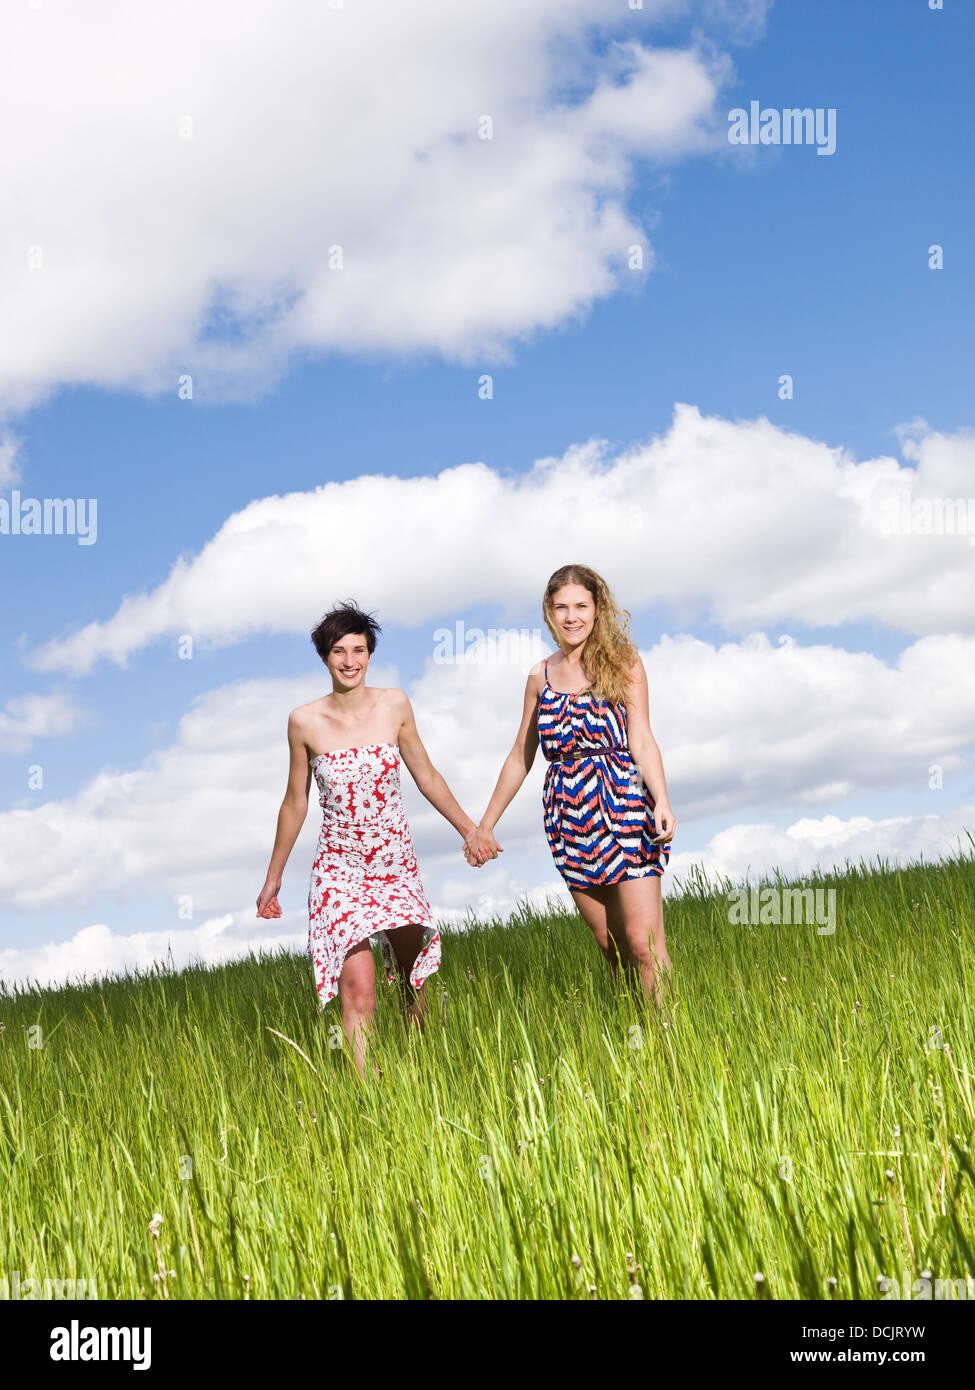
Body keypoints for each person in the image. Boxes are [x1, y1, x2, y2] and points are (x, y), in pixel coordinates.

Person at [256, 601, 491, 1078]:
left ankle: (423, 1070)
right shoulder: (303, 722)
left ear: (370, 654)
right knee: (359, 988)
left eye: (359, 650)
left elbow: (425, 774)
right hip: (340, 869)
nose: (349, 661)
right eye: (339, 651)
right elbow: (295, 803)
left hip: (394, 864)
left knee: (413, 975)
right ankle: (369, 1093)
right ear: (324, 657)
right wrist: (272, 880)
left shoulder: (395, 705)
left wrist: (470, 830)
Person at [465, 564, 677, 1005]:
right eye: (561, 607)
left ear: (598, 609)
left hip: (625, 808)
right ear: (549, 611)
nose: (571, 616)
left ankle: (669, 1046)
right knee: (611, 945)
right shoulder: (539, 677)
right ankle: (633, 1025)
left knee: (643, 941)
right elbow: (520, 756)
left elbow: (642, 738)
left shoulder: (624, 663)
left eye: (581, 606)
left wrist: (662, 800)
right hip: (568, 815)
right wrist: (484, 826)